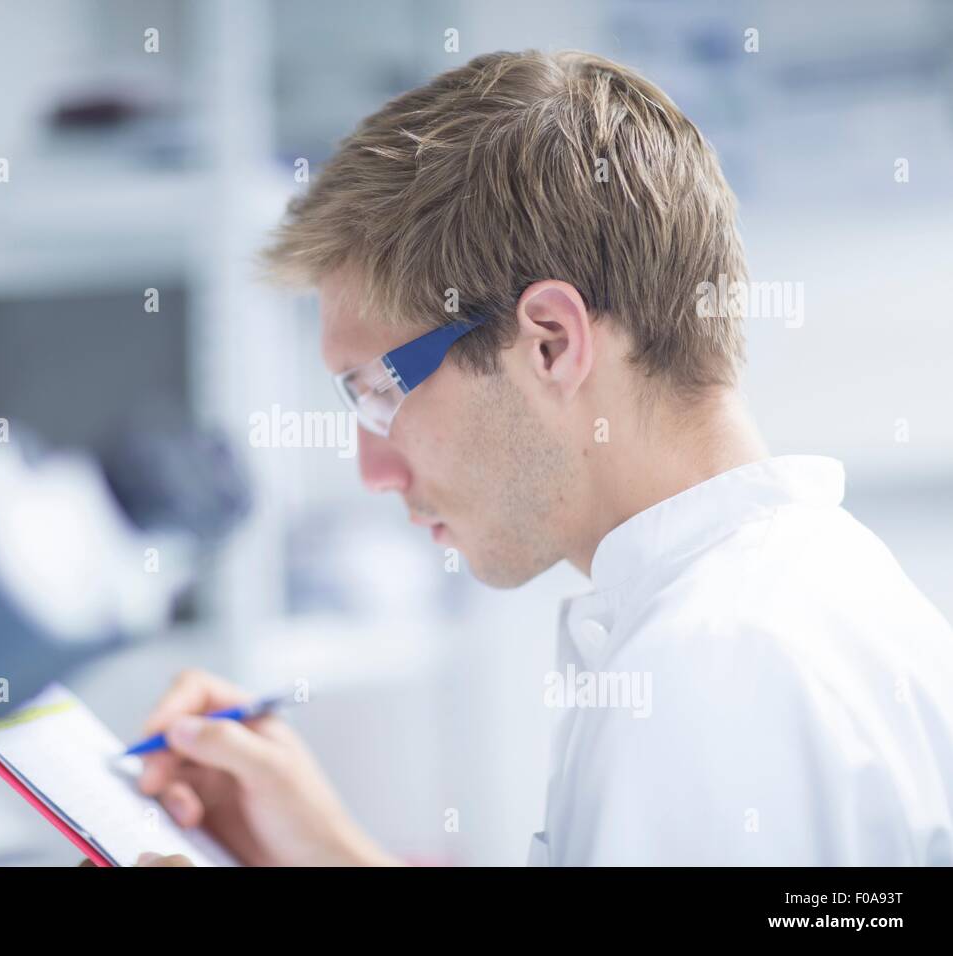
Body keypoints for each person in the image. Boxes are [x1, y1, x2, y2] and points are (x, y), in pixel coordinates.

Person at [119, 50, 953, 866]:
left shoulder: (709, 671)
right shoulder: (803, 595)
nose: (375, 471)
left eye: (378, 390)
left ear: (551, 343)